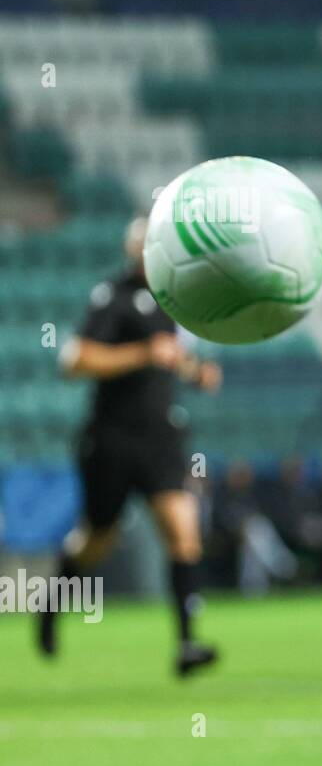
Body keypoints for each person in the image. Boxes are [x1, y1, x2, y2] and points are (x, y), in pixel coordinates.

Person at [38, 215, 223, 677]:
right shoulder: (112, 297)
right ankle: (52, 602)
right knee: (97, 539)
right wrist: (143, 354)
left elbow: (177, 358)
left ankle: (186, 644)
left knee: (182, 531)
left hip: (160, 437)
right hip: (112, 440)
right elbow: (75, 359)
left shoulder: (176, 303)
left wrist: (197, 373)